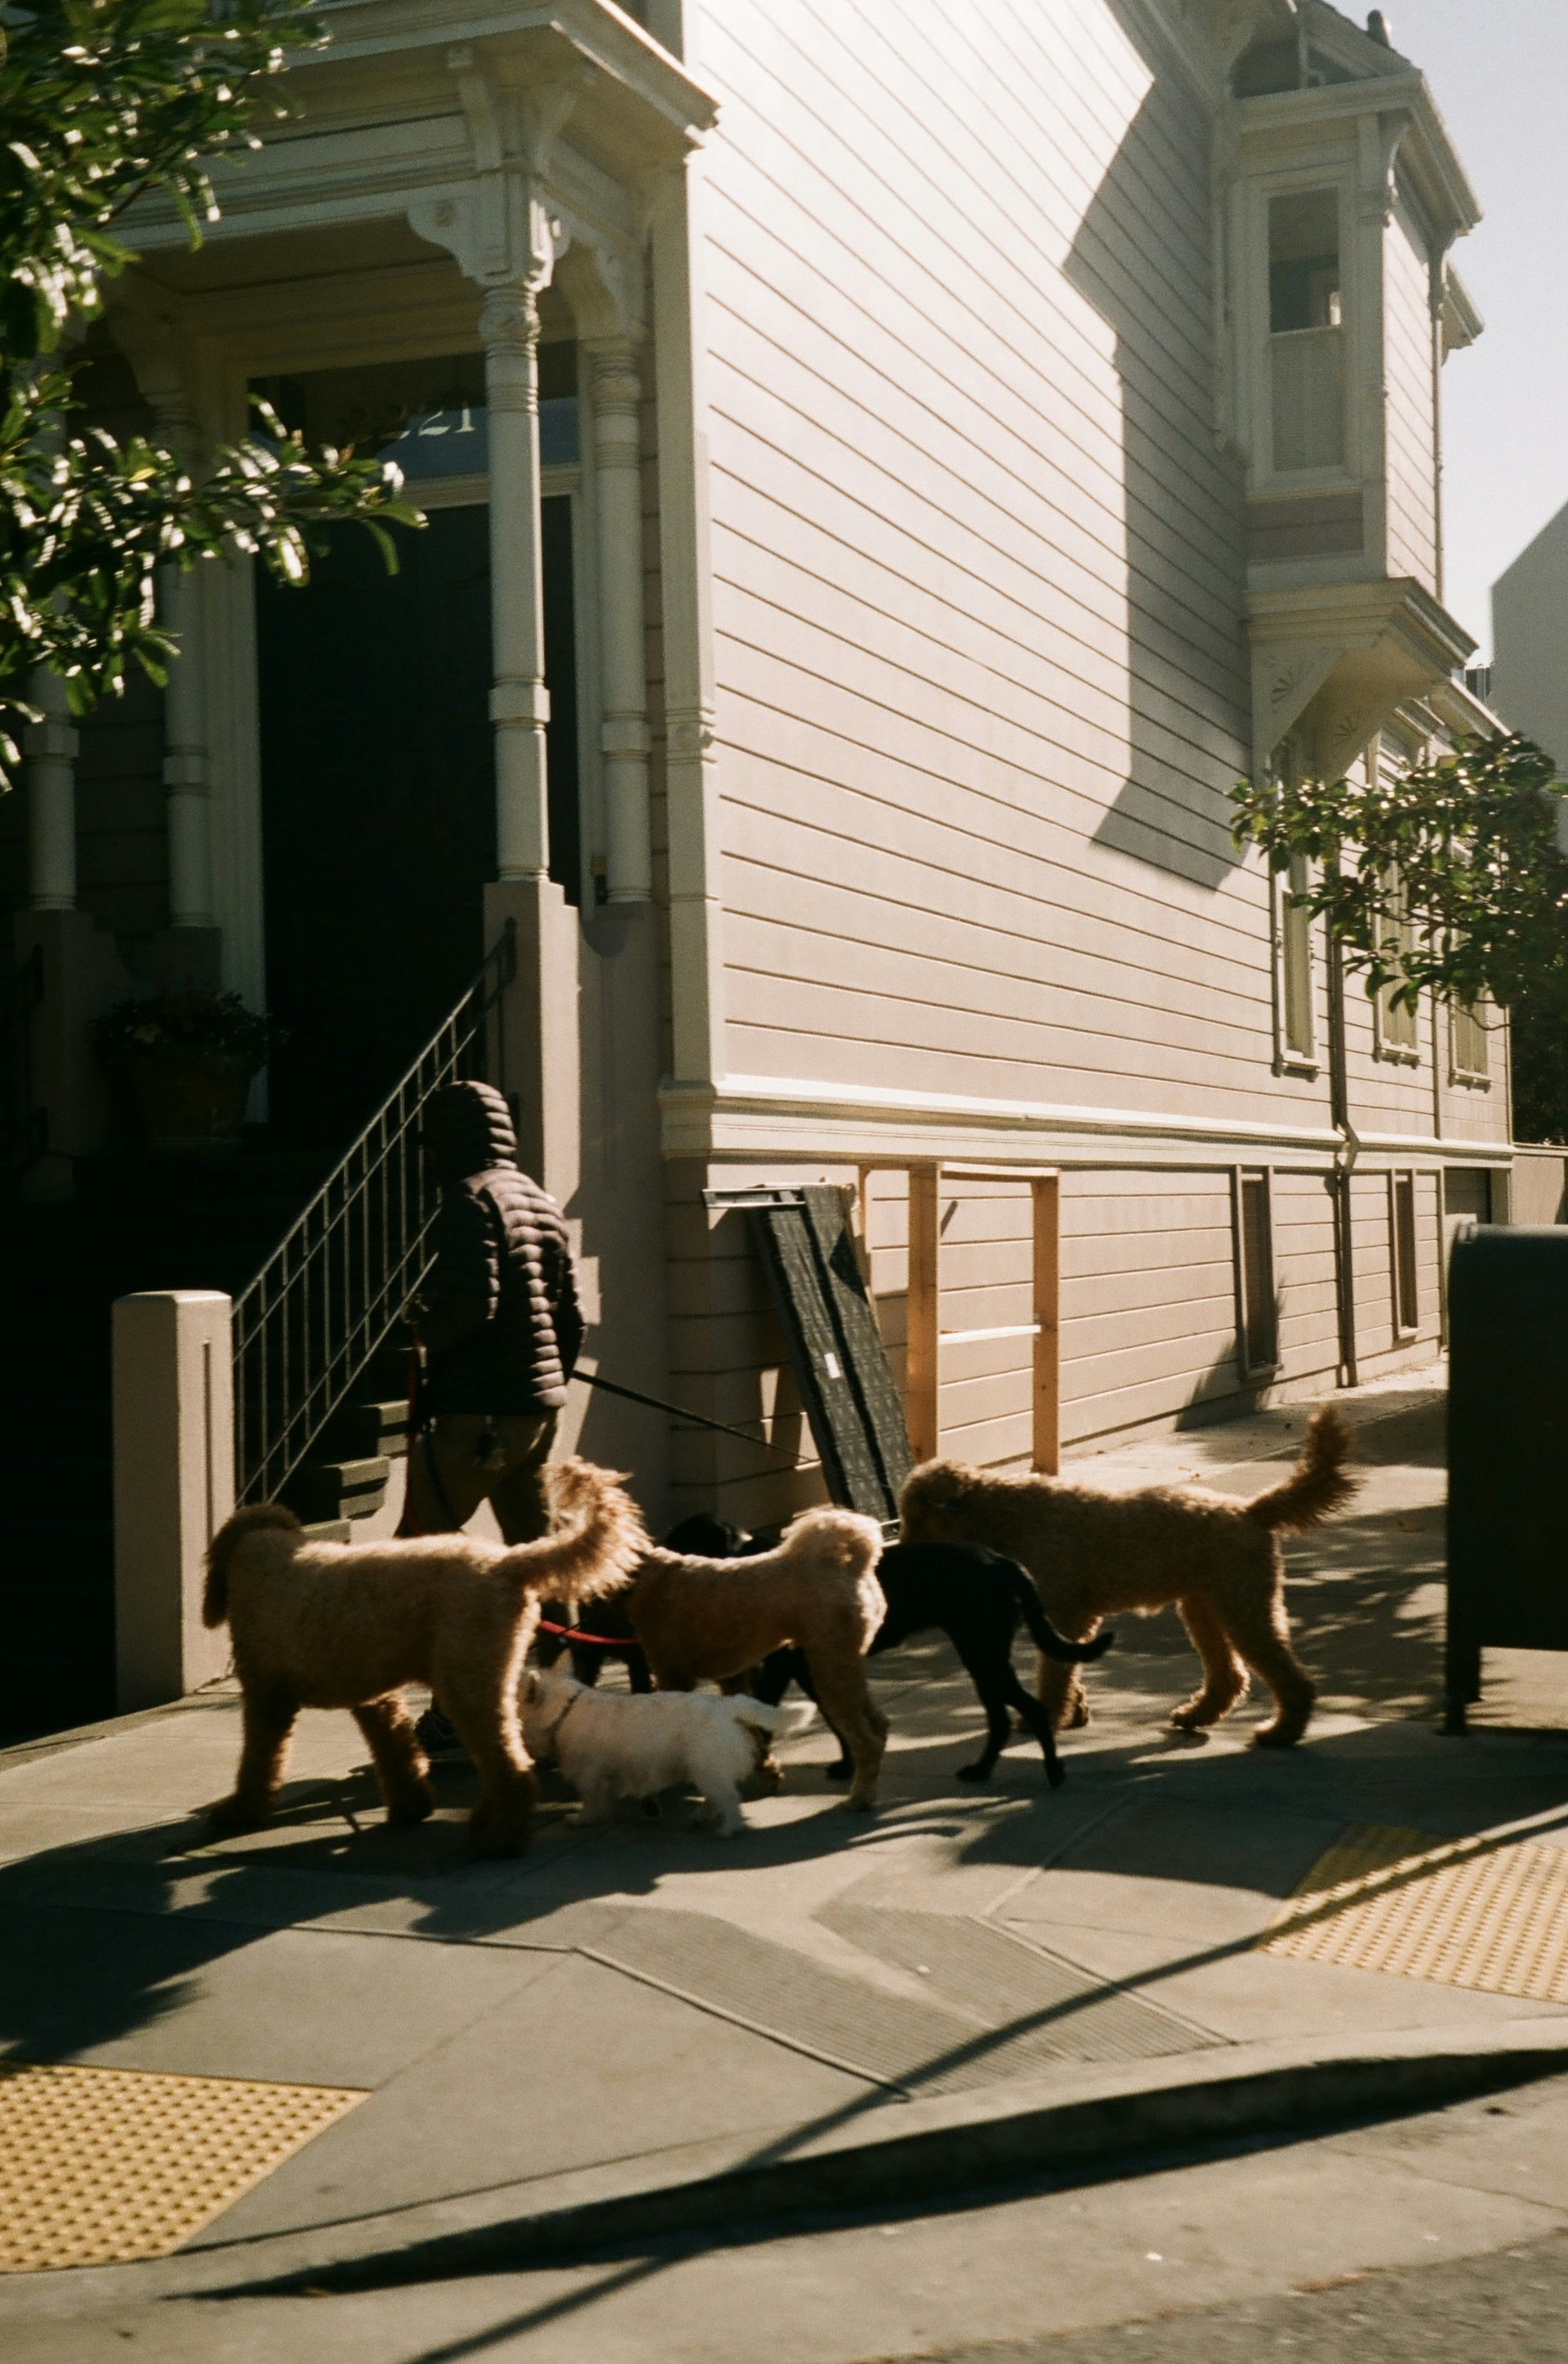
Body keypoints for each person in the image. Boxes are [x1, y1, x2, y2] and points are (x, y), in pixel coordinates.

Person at [401, 1078, 583, 1751]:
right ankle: (563, 1694)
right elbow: (570, 1317)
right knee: (539, 1560)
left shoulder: (468, 1199)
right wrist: (546, 1381)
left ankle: (453, 1708)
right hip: (536, 1409)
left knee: (422, 1556)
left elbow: (472, 1306)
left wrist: (418, 1327)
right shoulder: (540, 1197)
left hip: (476, 1412)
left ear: (449, 1141)